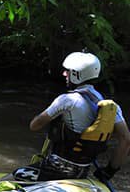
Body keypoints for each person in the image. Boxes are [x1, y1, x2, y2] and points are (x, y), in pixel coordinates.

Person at [29, 51, 130, 181]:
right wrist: (109, 171)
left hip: (55, 169)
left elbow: (34, 126)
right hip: (82, 171)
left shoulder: (66, 100)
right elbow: (126, 140)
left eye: (68, 71)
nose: (64, 74)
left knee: (7, 180)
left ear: (77, 75)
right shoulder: (110, 106)